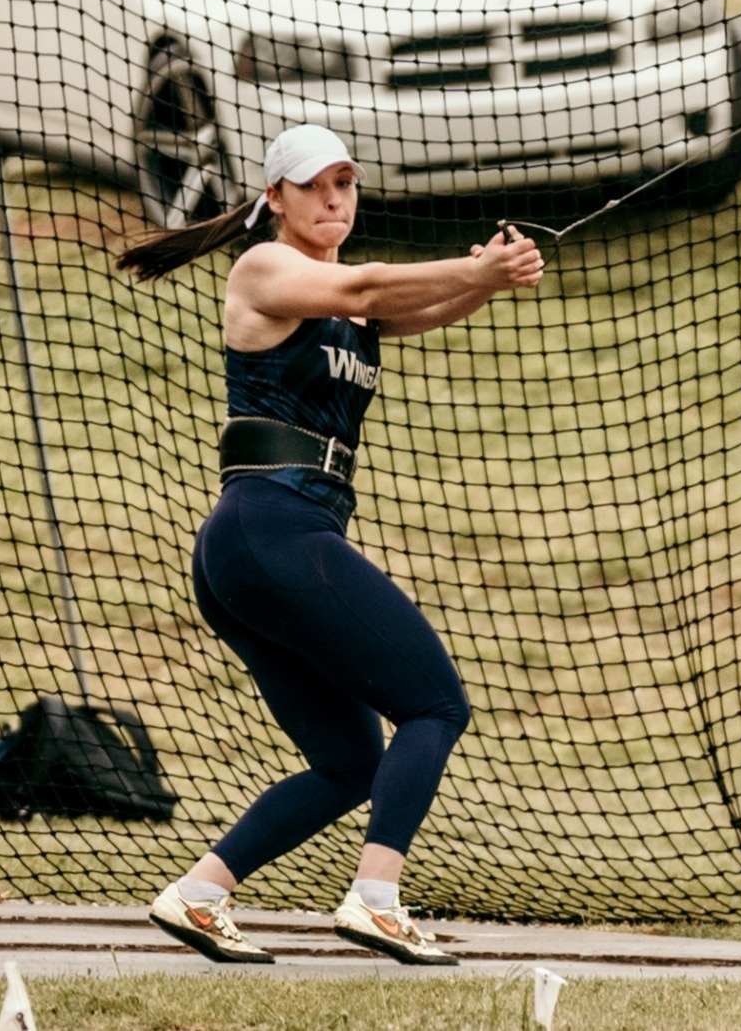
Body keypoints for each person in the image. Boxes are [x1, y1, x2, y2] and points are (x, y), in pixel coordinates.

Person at [115, 124, 544, 965]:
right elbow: (379, 280)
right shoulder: (265, 268)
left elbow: (404, 303)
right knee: (436, 706)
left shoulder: (345, 303)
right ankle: (376, 898)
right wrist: (478, 269)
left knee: (350, 762)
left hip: (264, 543)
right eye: (315, 185)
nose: (335, 198)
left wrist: (490, 279)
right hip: (270, 526)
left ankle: (200, 893)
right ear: (274, 198)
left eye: (345, 183)